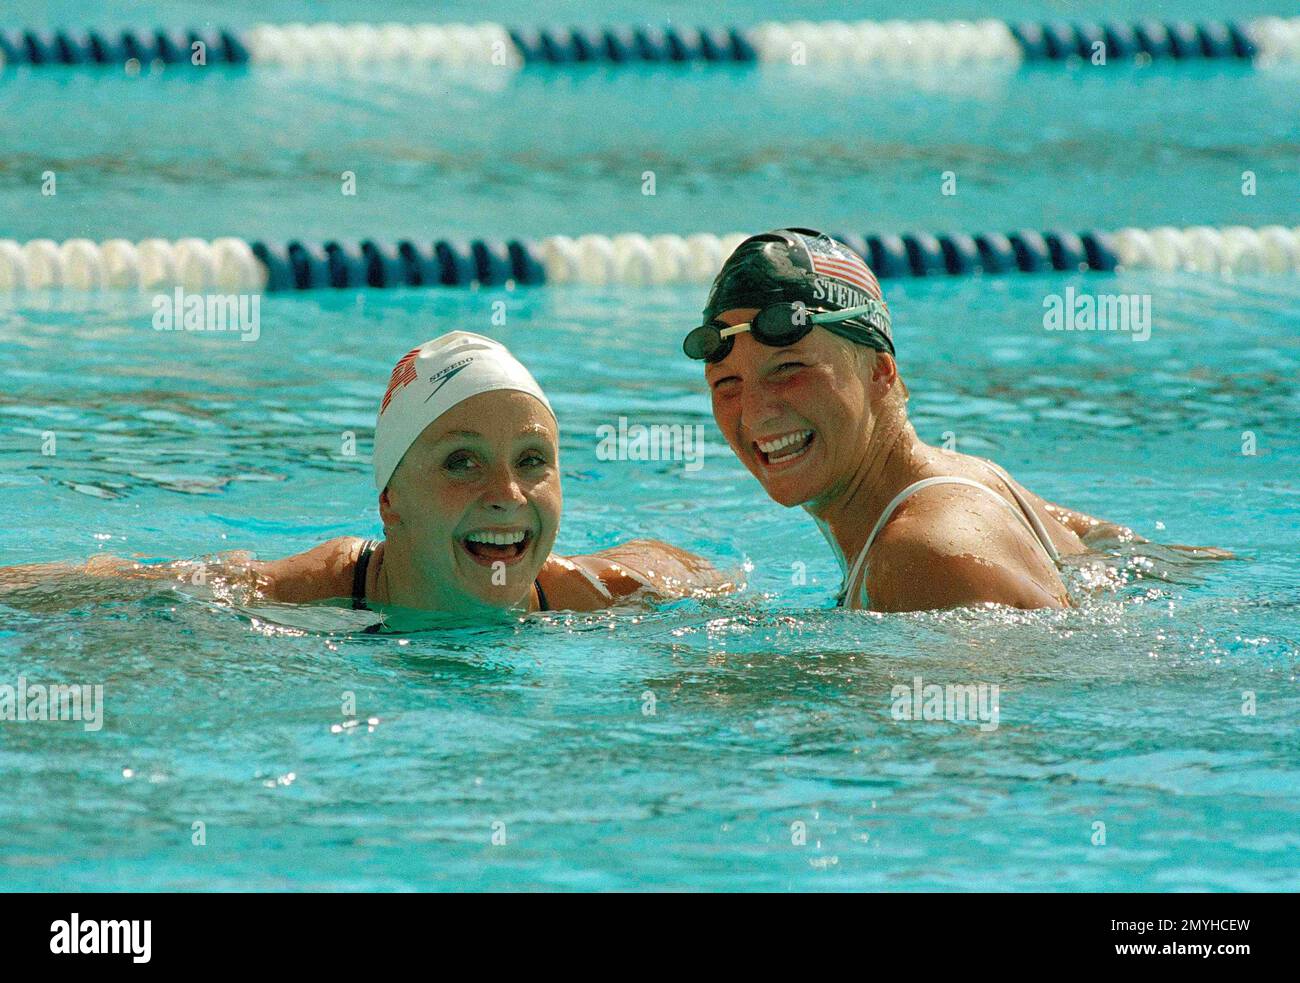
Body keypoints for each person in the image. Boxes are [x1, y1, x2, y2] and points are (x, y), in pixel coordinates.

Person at [12, 332, 732, 626]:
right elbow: (120, 584)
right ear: (390, 500)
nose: (507, 493)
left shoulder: (605, 594)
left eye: (532, 460)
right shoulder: (307, 591)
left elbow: (691, 571)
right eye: (462, 460)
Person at [683, 227, 1223, 613]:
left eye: (789, 370)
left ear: (881, 372)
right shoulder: (970, 479)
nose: (755, 413)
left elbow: (976, 751)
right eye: (727, 383)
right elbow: (1124, 549)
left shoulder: (920, 556)